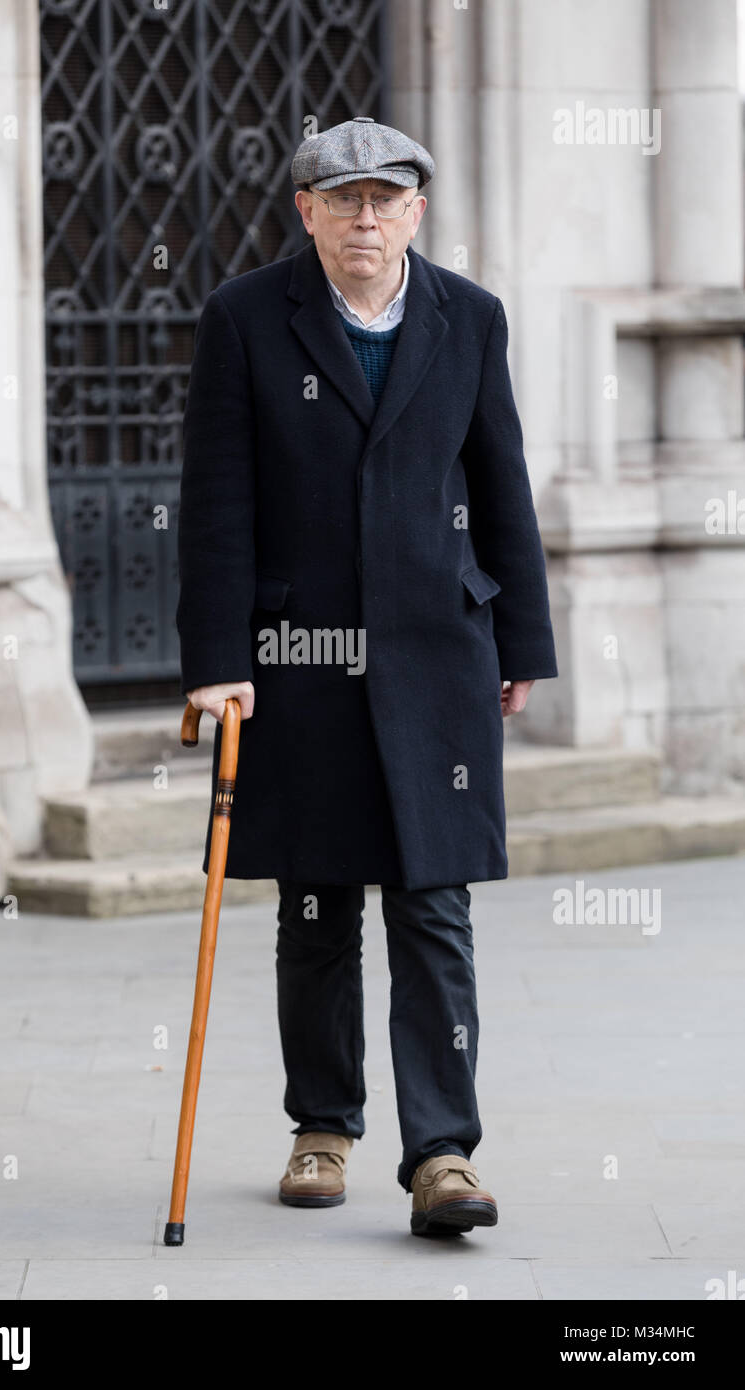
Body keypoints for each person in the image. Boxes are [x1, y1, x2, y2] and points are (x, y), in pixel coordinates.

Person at [176, 116, 558, 1237]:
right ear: (305, 210)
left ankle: (441, 1153)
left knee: (434, 906)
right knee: (314, 905)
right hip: (300, 662)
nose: (364, 218)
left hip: (439, 653)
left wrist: (522, 643)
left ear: (415, 211)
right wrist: (215, 662)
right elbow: (216, 506)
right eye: (341, 200)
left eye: (385, 199)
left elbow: (501, 486)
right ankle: (321, 1128)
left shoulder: (468, 318)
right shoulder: (244, 319)